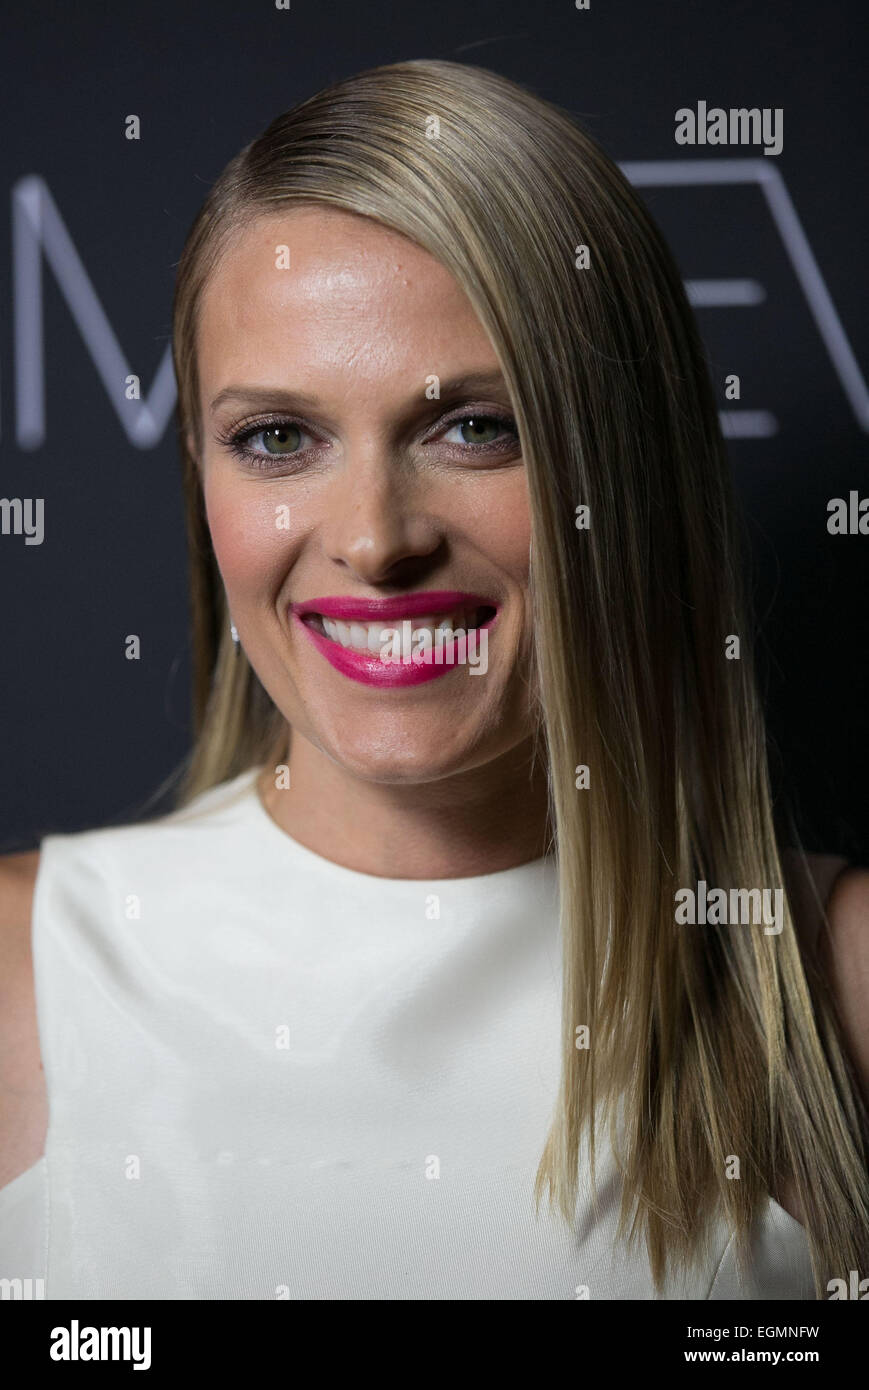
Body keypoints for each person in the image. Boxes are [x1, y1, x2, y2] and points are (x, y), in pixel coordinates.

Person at [1, 59, 867, 1300]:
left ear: (622, 467)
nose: (373, 536)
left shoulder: (832, 983)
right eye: (277, 439)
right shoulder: (20, 972)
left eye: (473, 427)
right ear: (200, 479)